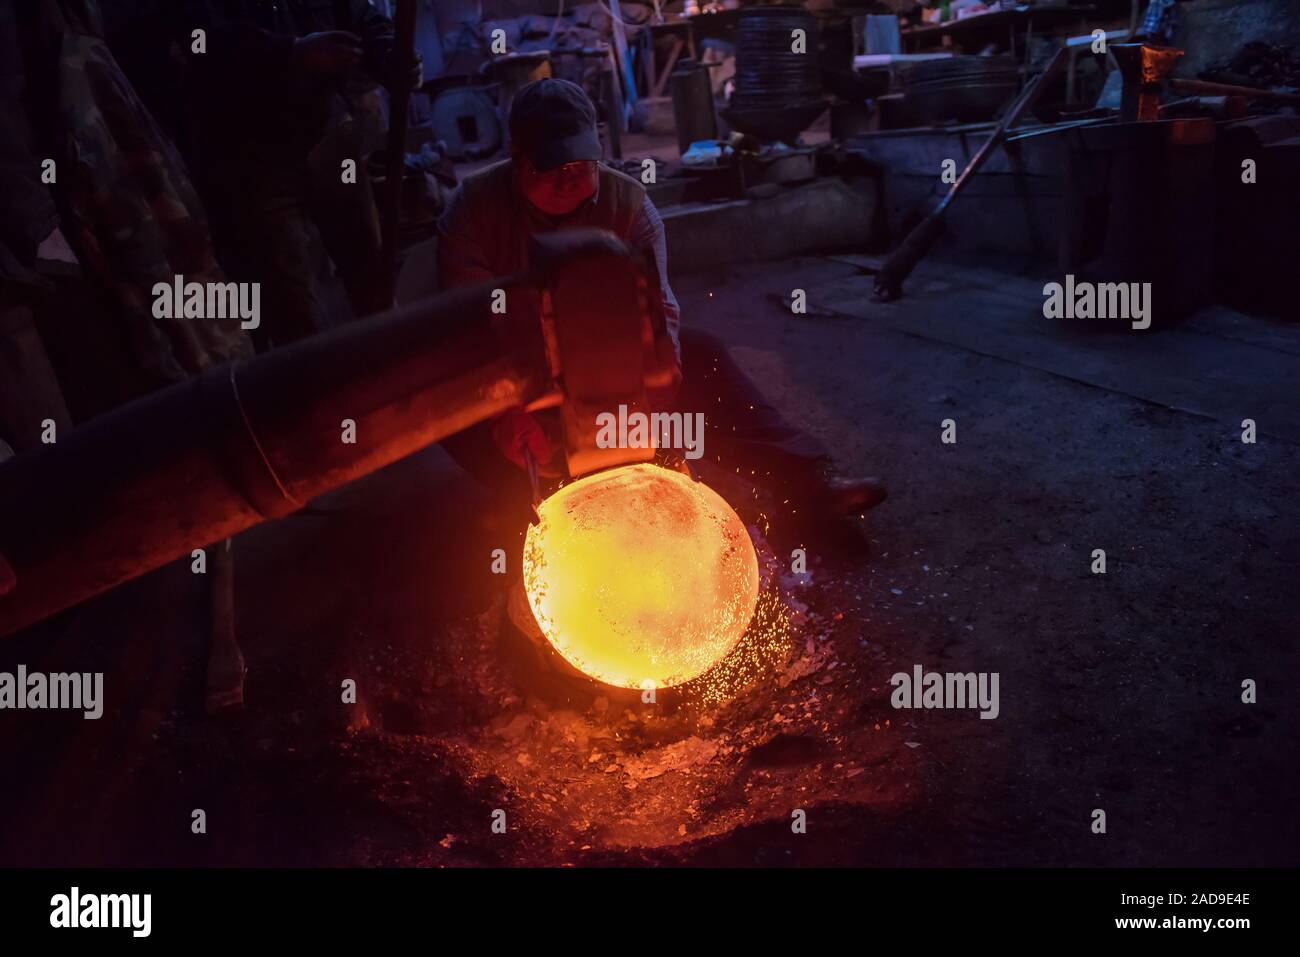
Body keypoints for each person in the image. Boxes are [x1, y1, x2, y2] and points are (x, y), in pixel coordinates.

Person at [437, 78, 886, 527]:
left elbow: (660, 314)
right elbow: (471, 328)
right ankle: (549, 521)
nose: (567, 179)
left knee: (702, 355)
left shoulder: (630, 206)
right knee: (452, 414)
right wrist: (505, 412)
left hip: (608, 361)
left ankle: (810, 482)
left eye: (580, 163)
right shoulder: (473, 209)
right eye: (550, 167)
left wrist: (656, 396)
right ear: (517, 159)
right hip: (517, 374)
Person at [180, 0, 422, 346]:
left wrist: (390, 53)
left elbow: (360, 17)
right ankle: (325, 390)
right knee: (292, 304)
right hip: (249, 158)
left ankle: (400, 368)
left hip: (329, 140)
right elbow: (198, 41)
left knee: (374, 277)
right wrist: (291, 53)